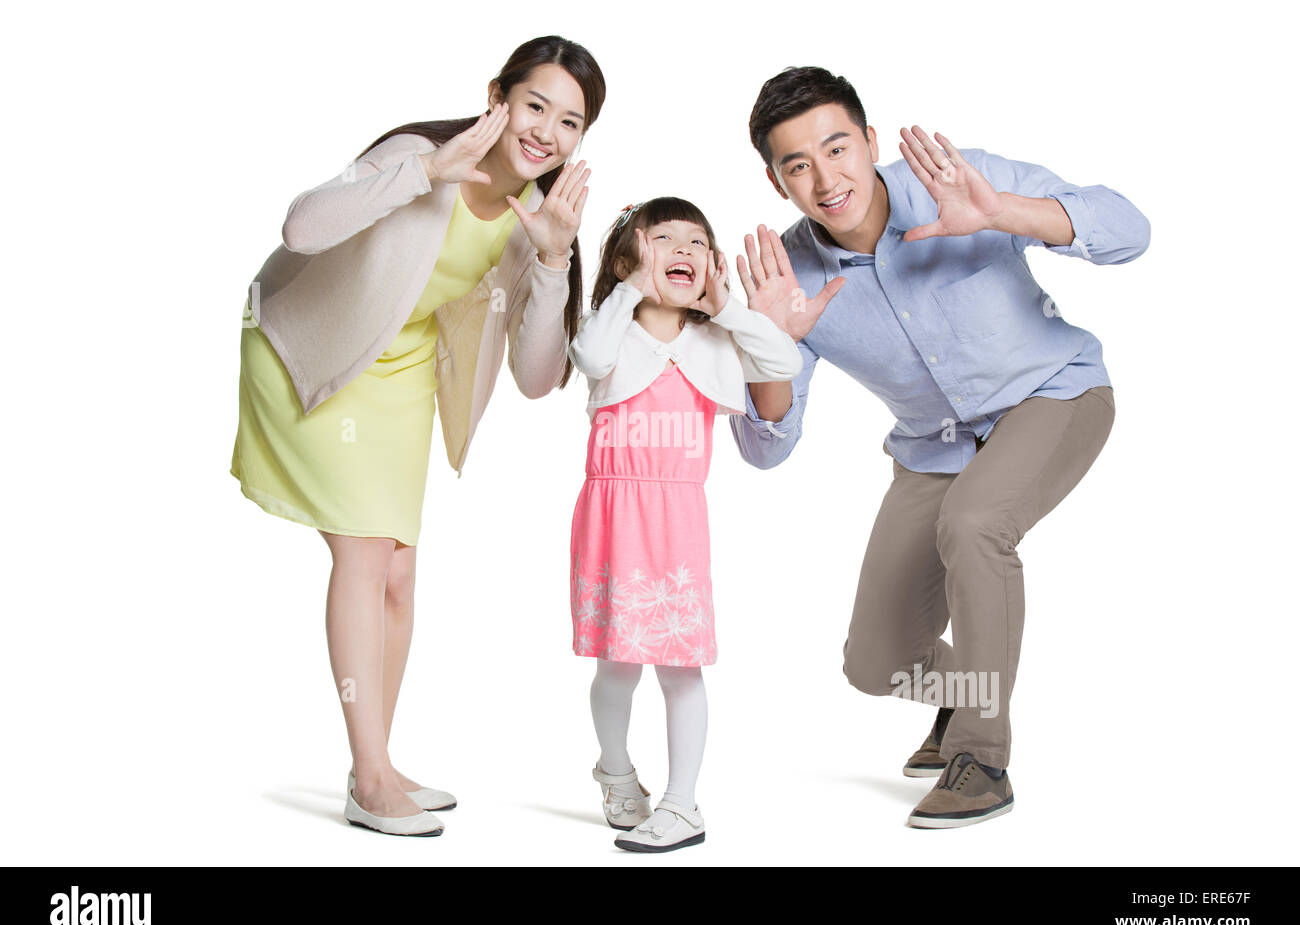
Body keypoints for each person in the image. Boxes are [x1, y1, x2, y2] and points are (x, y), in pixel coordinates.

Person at [731, 66, 1150, 828]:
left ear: (868, 139)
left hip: (1054, 394)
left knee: (976, 524)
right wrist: (768, 352)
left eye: (837, 147)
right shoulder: (785, 278)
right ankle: (966, 699)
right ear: (775, 180)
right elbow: (766, 452)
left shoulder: (957, 180)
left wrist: (1008, 214)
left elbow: (1130, 230)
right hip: (935, 447)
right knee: (874, 663)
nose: (826, 178)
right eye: (798, 164)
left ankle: (983, 758)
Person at [229, 36, 605, 836]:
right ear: (497, 95)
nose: (546, 132)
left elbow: (539, 380)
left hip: (399, 377)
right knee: (364, 555)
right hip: (314, 347)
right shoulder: (421, 155)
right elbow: (301, 227)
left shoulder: (540, 217)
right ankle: (369, 779)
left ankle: (381, 763)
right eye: (535, 105)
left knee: (398, 572)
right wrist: (423, 175)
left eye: (569, 123)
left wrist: (553, 260)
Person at [568, 198, 801, 851]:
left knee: (680, 664)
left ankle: (681, 804)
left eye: (697, 242)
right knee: (616, 664)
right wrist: (624, 292)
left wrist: (728, 307)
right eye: (661, 237)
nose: (681, 250)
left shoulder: (715, 339)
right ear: (626, 258)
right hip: (611, 513)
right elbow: (587, 358)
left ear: (712, 265)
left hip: (676, 520)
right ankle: (615, 773)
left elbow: (782, 363)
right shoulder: (610, 330)